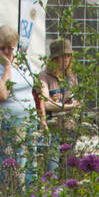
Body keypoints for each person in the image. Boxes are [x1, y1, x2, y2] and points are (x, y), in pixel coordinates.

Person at [0, 25, 41, 184]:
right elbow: (1, 94)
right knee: (13, 167)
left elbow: (35, 85)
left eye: (11, 48)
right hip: (9, 123)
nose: (8, 52)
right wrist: (7, 67)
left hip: (29, 120)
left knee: (30, 164)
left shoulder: (23, 60)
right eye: (3, 48)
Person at [38, 38, 80, 170]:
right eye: (63, 56)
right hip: (53, 127)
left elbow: (77, 102)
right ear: (55, 58)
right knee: (52, 168)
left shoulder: (72, 78)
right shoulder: (44, 76)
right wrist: (68, 107)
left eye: (69, 56)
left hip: (69, 127)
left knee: (68, 168)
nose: (67, 59)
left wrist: (68, 106)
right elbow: (45, 103)